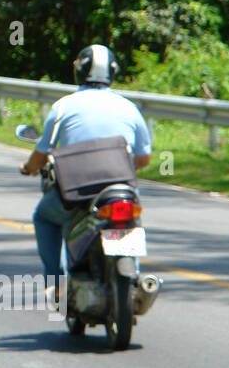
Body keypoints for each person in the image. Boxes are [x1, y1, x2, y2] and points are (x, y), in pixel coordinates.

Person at [19, 44, 152, 287]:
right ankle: (135, 280)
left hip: (77, 193)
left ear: (78, 71)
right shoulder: (129, 107)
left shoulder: (63, 106)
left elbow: (41, 154)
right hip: (121, 193)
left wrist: (28, 168)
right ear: (113, 73)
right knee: (131, 219)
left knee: (44, 217)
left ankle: (55, 282)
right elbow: (143, 159)